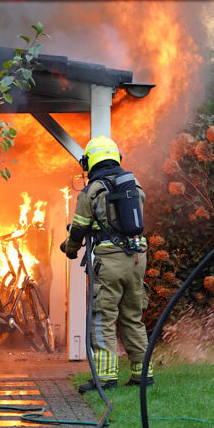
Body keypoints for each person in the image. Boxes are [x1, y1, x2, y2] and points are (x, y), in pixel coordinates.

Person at [60, 136, 152, 393]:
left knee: (103, 317)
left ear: (89, 162)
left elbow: (79, 228)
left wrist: (70, 249)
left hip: (110, 261)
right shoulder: (134, 184)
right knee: (133, 317)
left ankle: (106, 377)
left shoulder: (93, 191)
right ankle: (142, 374)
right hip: (137, 257)